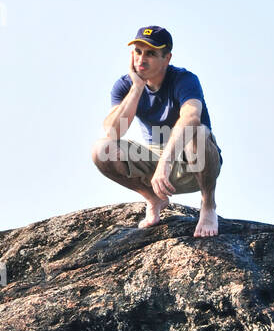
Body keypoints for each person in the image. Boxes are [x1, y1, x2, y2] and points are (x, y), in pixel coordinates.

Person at [91, 25, 222, 238]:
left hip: (193, 163)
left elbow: (191, 117)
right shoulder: (124, 85)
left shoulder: (184, 79)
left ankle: (208, 205)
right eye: (138, 51)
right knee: (101, 149)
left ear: (167, 58)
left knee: (197, 132)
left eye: (150, 53)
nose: (141, 59)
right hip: (154, 161)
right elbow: (112, 132)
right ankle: (154, 198)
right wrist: (136, 88)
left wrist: (166, 161)